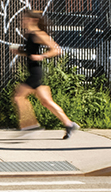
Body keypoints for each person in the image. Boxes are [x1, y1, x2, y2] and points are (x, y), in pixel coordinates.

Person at [9, 10, 80, 139]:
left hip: (36, 73)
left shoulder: (38, 34)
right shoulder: (29, 34)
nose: (22, 21)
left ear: (33, 20)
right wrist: (20, 52)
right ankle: (68, 123)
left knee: (19, 96)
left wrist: (42, 56)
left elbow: (56, 49)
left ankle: (30, 125)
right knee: (47, 102)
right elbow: (31, 53)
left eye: (25, 19)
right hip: (34, 71)